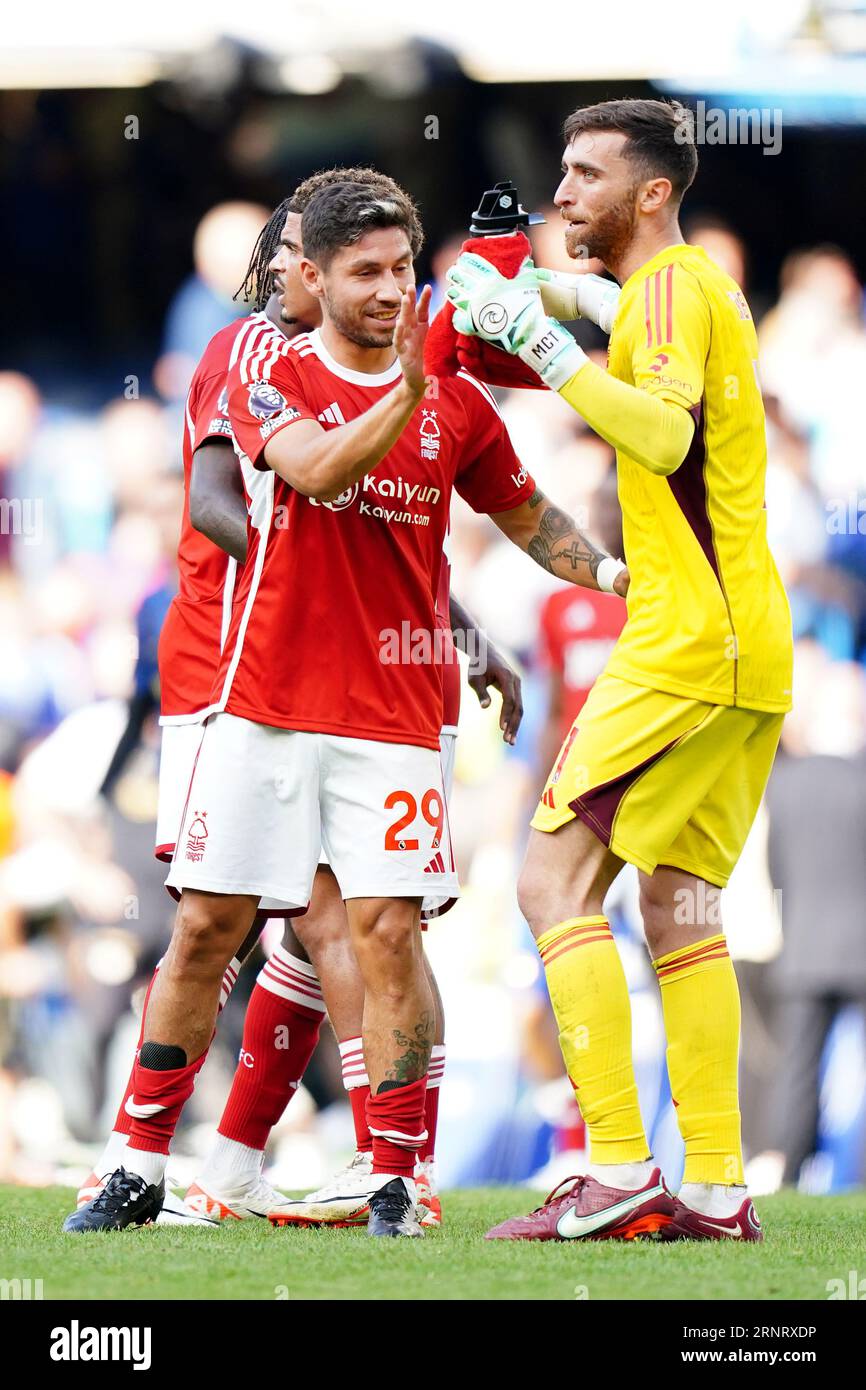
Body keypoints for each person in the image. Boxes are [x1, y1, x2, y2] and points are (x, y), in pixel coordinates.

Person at [70, 174, 626, 1239]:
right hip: (250, 692)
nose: (389, 290)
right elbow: (305, 485)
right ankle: (140, 1158)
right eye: (363, 271)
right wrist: (409, 391)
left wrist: (602, 581)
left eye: (402, 270)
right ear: (308, 273)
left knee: (378, 930)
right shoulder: (258, 362)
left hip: (396, 711)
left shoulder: (452, 397)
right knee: (212, 930)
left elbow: (515, 514)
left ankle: (391, 1174)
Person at [446, 96, 793, 1241]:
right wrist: (533, 296)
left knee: (548, 883)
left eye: (585, 175)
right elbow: (617, 324)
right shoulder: (691, 287)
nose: (561, 196)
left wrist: (533, 329)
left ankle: (610, 1169)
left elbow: (657, 435)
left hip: (685, 640)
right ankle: (711, 1182)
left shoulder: (664, 293)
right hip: (743, 646)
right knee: (678, 903)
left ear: (652, 192)